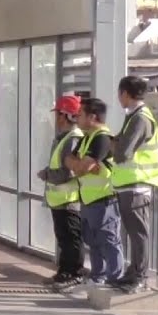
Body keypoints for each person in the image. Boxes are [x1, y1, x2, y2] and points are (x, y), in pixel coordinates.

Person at [109, 75, 158, 293]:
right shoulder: (133, 116)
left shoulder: (140, 119)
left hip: (137, 185)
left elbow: (122, 153)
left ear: (125, 93)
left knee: (138, 233)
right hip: (129, 184)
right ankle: (132, 273)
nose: (118, 98)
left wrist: (113, 145)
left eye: (119, 93)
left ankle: (139, 276)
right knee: (134, 233)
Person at [64, 98, 123, 287]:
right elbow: (68, 160)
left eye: (80, 114)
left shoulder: (102, 139)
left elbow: (82, 167)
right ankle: (98, 277)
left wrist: (80, 166)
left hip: (104, 199)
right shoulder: (86, 138)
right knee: (92, 241)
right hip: (89, 199)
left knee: (108, 241)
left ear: (92, 116)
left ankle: (114, 280)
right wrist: (79, 165)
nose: (76, 117)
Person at [38, 95, 86, 289]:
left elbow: (68, 171)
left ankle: (74, 273)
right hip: (60, 198)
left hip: (69, 198)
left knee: (71, 238)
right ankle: (64, 271)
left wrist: (47, 174)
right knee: (64, 238)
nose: (56, 118)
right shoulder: (64, 138)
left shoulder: (72, 139)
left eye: (58, 114)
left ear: (65, 115)